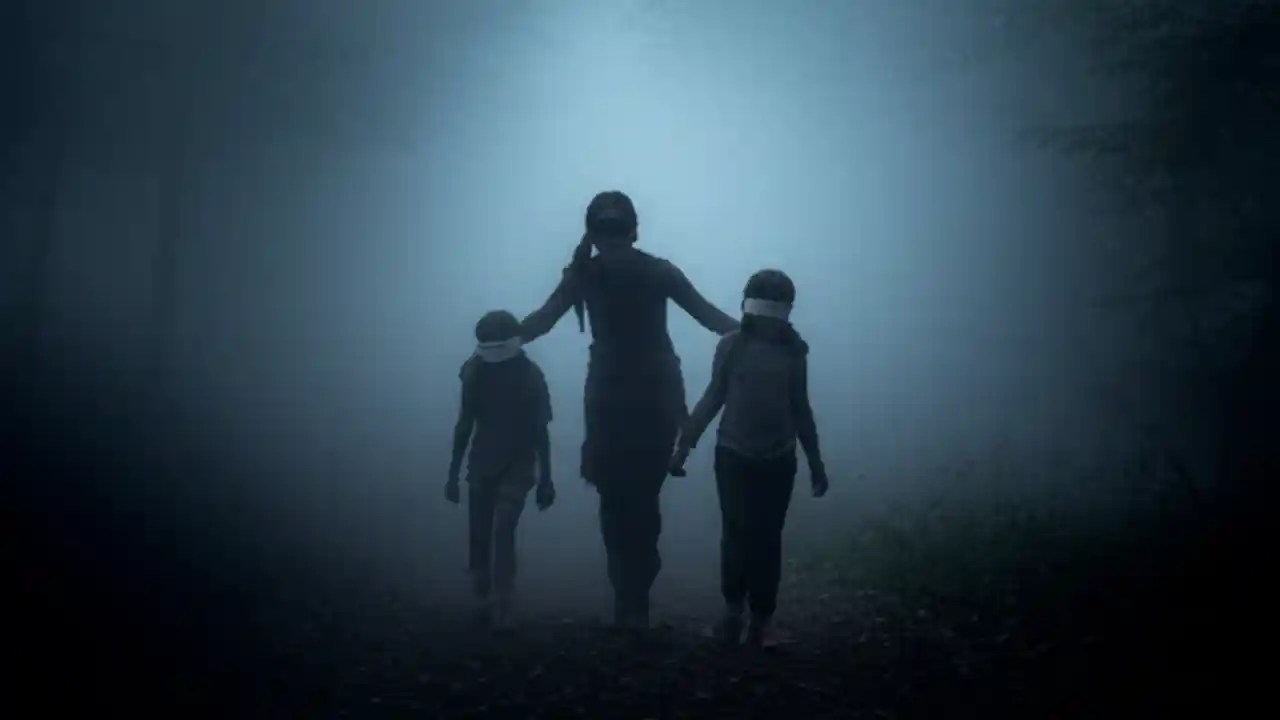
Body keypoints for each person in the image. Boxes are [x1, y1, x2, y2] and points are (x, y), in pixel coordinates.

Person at [519, 190, 739, 629]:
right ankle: (636, 594)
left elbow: (540, 321)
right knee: (643, 498)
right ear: (634, 230)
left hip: (608, 399)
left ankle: (628, 597)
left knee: (614, 499)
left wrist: (499, 340)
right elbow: (712, 318)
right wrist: (762, 333)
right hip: (656, 396)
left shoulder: (585, 274)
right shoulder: (656, 271)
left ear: (593, 232)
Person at [669, 269, 830, 648]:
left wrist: (815, 462)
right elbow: (713, 397)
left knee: (768, 538)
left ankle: (761, 619)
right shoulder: (732, 346)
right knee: (736, 533)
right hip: (734, 454)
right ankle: (732, 612)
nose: (769, 324)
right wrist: (683, 447)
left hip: (778, 456)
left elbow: (800, 406)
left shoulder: (794, 352)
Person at [446, 310, 557, 630]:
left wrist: (546, 478)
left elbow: (540, 430)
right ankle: (482, 596)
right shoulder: (475, 373)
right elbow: (465, 423)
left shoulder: (530, 376)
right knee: (480, 534)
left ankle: (503, 602)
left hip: (518, 463)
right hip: (483, 461)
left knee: (503, 527)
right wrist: (453, 474)